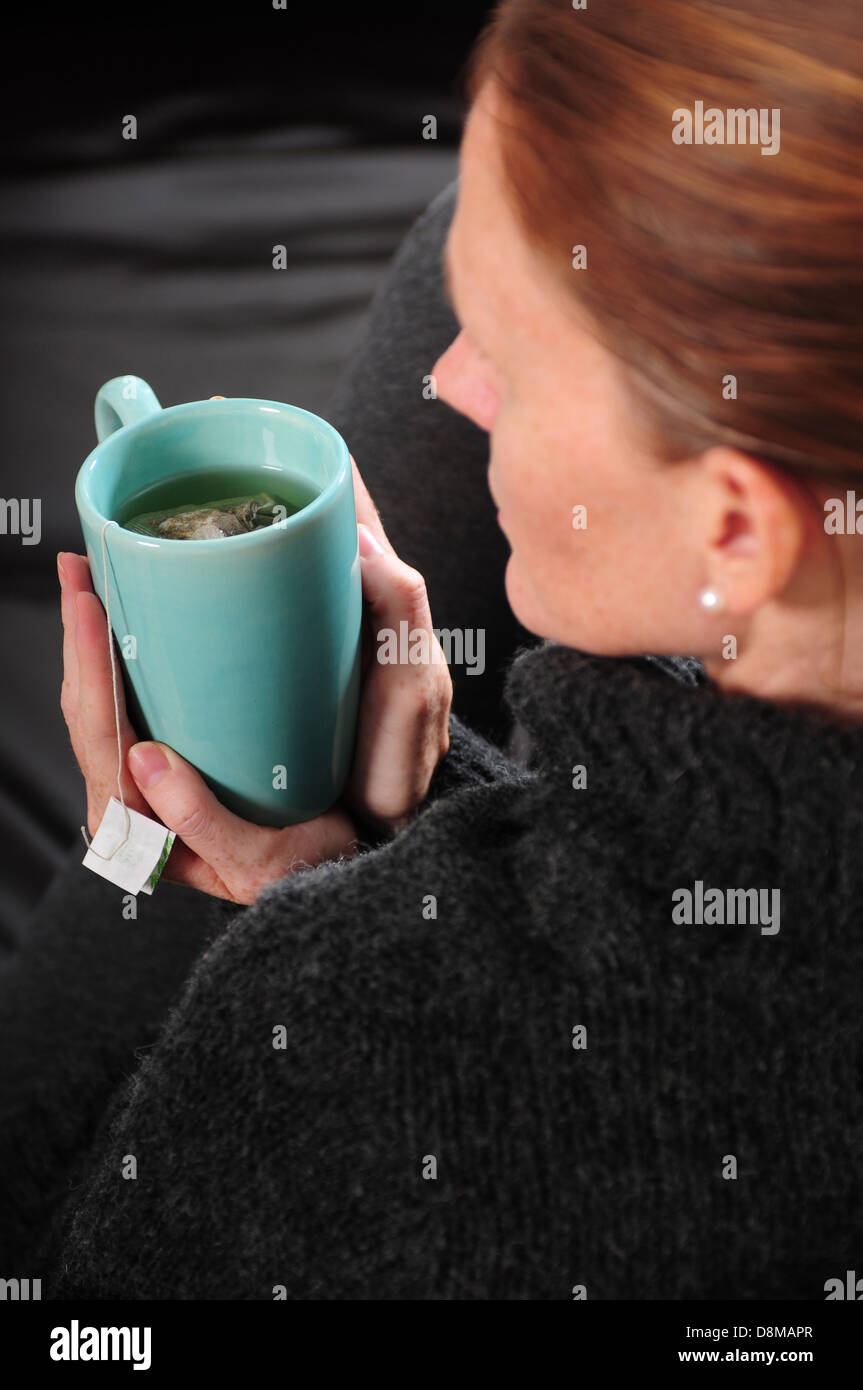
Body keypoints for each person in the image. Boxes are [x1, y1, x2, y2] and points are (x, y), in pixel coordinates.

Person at [6, 0, 863, 1298]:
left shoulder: (341, 1053)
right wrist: (433, 845)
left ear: (737, 530)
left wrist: (339, 923)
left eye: (507, 364)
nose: (457, 388)